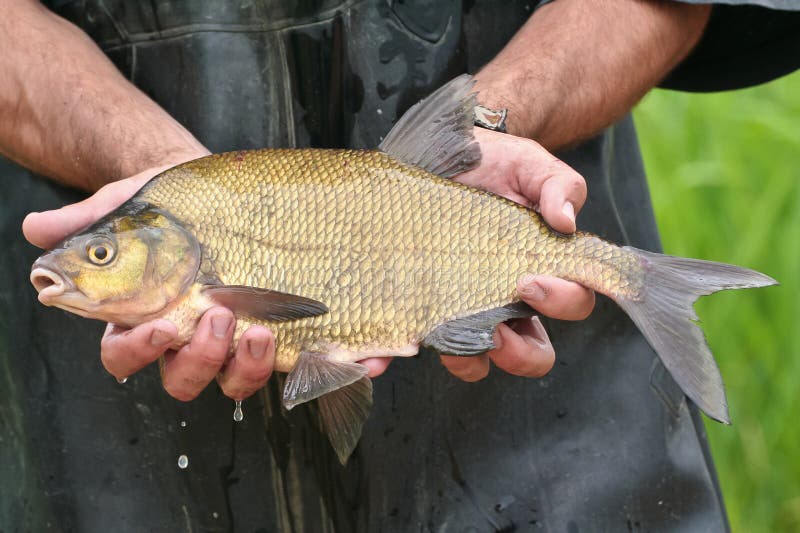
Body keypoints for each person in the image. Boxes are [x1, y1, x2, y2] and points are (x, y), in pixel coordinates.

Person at [1, 0, 798, 530]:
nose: (84, 260)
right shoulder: (186, 223)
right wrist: (166, 167)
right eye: (100, 253)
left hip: (546, 448)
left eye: (102, 251)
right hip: (118, 470)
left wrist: (487, 124)